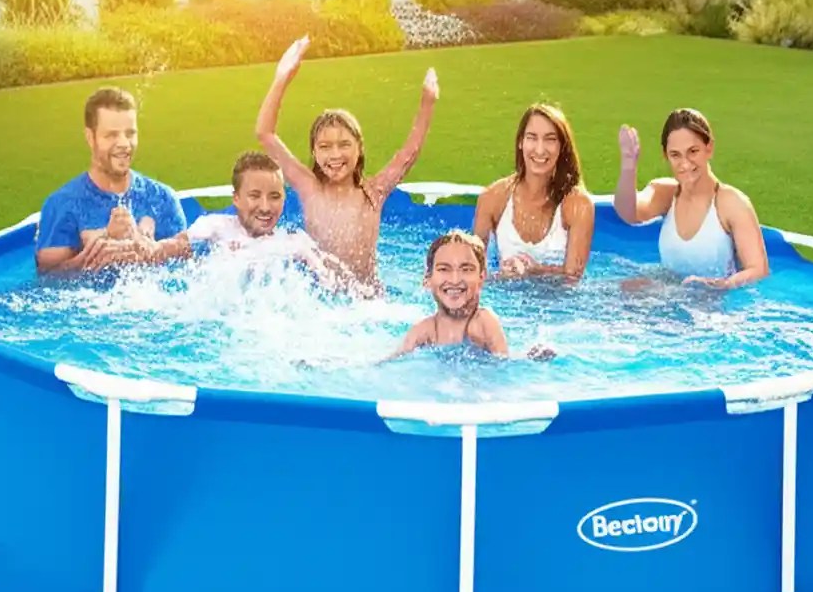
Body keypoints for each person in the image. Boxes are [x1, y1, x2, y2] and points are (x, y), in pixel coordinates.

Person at [254, 35, 440, 291]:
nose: (335, 155)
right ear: (314, 152)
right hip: (324, 299)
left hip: (368, 299)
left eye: (344, 145)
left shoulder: (372, 193)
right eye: (325, 147)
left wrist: (428, 102)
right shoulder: (310, 188)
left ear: (359, 148)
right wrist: (281, 77)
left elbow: (410, 153)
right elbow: (265, 133)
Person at [35, 87, 189, 274]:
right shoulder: (62, 205)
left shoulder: (162, 198)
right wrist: (97, 251)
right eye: (111, 135)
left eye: (130, 133)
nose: (124, 143)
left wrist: (152, 250)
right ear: (90, 138)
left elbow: (188, 261)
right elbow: (47, 277)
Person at [613, 108, 769, 289]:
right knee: (626, 287)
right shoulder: (666, 194)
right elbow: (628, 213)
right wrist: (628, 165)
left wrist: (720, 285)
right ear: (666, 156)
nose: (685, 164)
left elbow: (758, 269)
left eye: (693, 151)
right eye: (675, 155)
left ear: (709, 148)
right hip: (670, 294)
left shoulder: (731, 203)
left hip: (716, 302)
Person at [185, 151, 367, 296]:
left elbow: (330, 280)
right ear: (236, 198)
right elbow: (179, 243)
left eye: (274, 197)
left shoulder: (294, 243)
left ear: (284, 198)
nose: (265, 207)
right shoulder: (216, 227)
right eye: (254, 196)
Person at [472, 103, 595, 283]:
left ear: (562, 147)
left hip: (559, 299)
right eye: (532, 138)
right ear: (520, 142)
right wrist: (502, 276)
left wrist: (535, 271)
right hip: (504, 295)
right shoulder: (492, 198)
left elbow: (572, 278)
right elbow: (474, 272)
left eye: (550, 139)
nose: (539, 149)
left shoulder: (578, 205)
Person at [390, 230, 555, 361]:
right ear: (427, 280)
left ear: (482, 278)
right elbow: (390, 363)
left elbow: (504, 367)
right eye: (444, 269)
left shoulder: (483, 322)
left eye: (466, 269)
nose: (455, 280)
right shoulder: (424, 331)